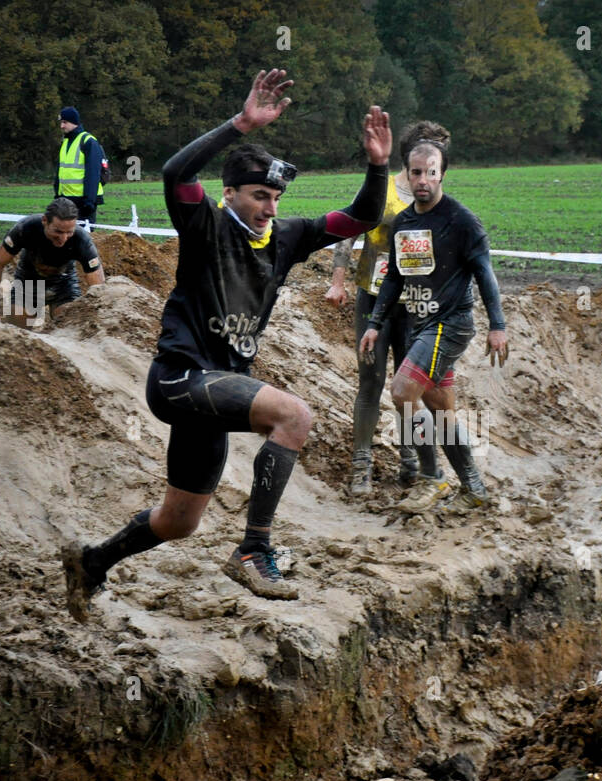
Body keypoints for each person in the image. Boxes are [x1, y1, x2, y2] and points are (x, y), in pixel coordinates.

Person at [60, 68, 392, 618]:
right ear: (229, 193)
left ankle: (93, 563)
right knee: (295, 417)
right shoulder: (204, 225)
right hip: (178, 379)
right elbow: (174, 171)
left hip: (210, 403)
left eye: (276, 197)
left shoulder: (288, 237)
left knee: (178, 522)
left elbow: (362, 217)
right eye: (259, 196)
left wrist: (378, 165)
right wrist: (239, 125)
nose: (270, 207)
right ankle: (254, 549)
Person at [359, 139, 509, 513]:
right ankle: (474, 488)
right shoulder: (404, 222)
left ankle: (432, 479)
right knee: (439, 411)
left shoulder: (462, 220)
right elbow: (393, 277)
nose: (423, 179)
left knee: (401, 392)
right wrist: (375, 323)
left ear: (442, 174)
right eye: (416, 172)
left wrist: (497, 325)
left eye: (431, 172)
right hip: (419, 324)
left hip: (451, 324)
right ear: (406, 174)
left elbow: (485, 275)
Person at [325, 121, 451, 497]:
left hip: (415, 306)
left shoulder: (435, 194)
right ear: (410, 154)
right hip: (372, 297)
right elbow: (349, 231)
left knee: (409, 386)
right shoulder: (383, 190)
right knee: (371, 380)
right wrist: (337, 280)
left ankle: (410, 457)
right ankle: (361, 463)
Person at [0, 196, 103, 325]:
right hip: (27, 282)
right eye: (57, 231)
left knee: (69, 324)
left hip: (64, 285)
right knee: (14, 332)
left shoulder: (81, 240)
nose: (63, 239)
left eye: (69, 232)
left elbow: (97, 286)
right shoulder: (26, 228)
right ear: (45, 221)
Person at [54, 106, 106, 228]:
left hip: (83, 203)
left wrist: (89, 201)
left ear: (74, 122)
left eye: (64, 122)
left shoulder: (88, 141)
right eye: (61, 122)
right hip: (66, 199)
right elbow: (60, 170)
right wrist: (58, 194)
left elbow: (93, 174)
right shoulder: (65, 142)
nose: (62, 126)